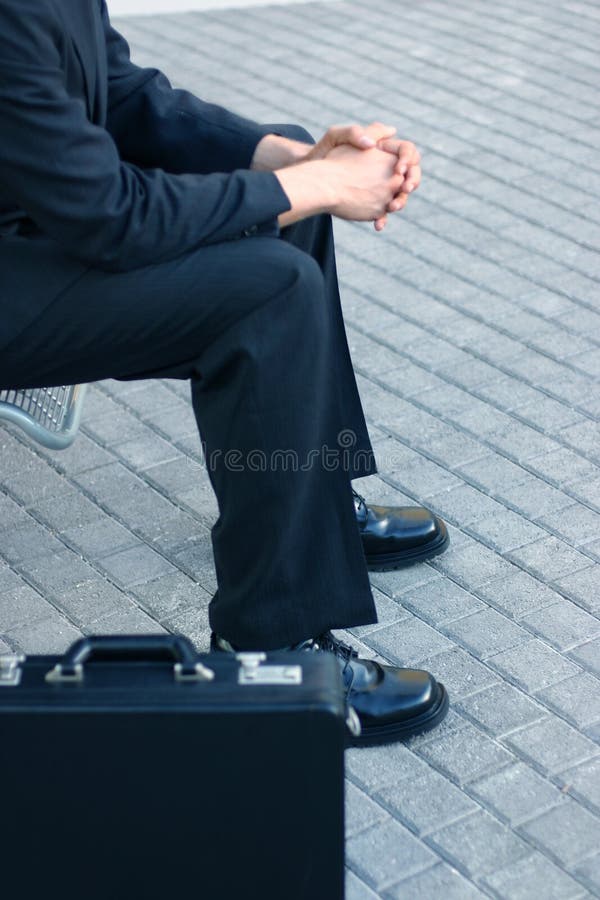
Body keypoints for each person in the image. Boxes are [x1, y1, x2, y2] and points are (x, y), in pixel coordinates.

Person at [0, 0, 449, 745]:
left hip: (42, 220)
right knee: (270, 289)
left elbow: (124, 94)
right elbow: (114, 216)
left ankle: (317, 508)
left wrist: (295, 161)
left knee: (291, 198)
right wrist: (319, 184)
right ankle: (272, 651)